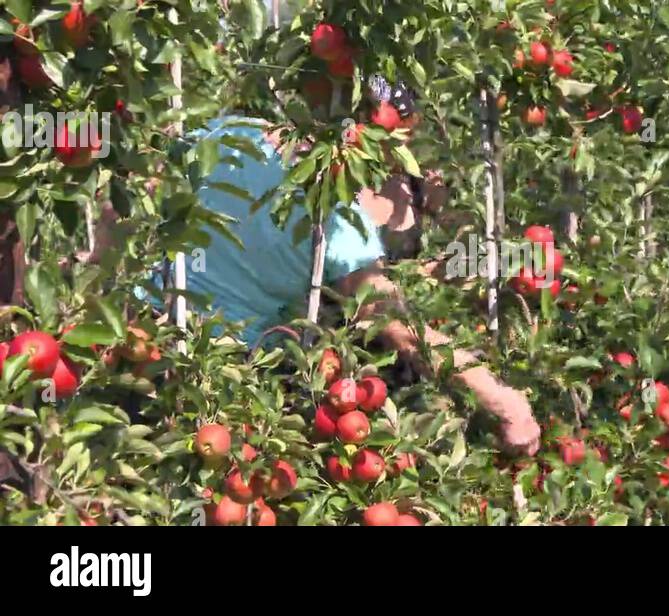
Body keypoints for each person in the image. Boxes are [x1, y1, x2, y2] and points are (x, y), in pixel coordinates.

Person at [101, 102, 541, 456]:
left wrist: (106, 282)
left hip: (143, 340)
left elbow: (131, 187)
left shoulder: (233, 132)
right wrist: (499, 398)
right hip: (222, 386)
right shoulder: (339, 220)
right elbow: (397, 326)